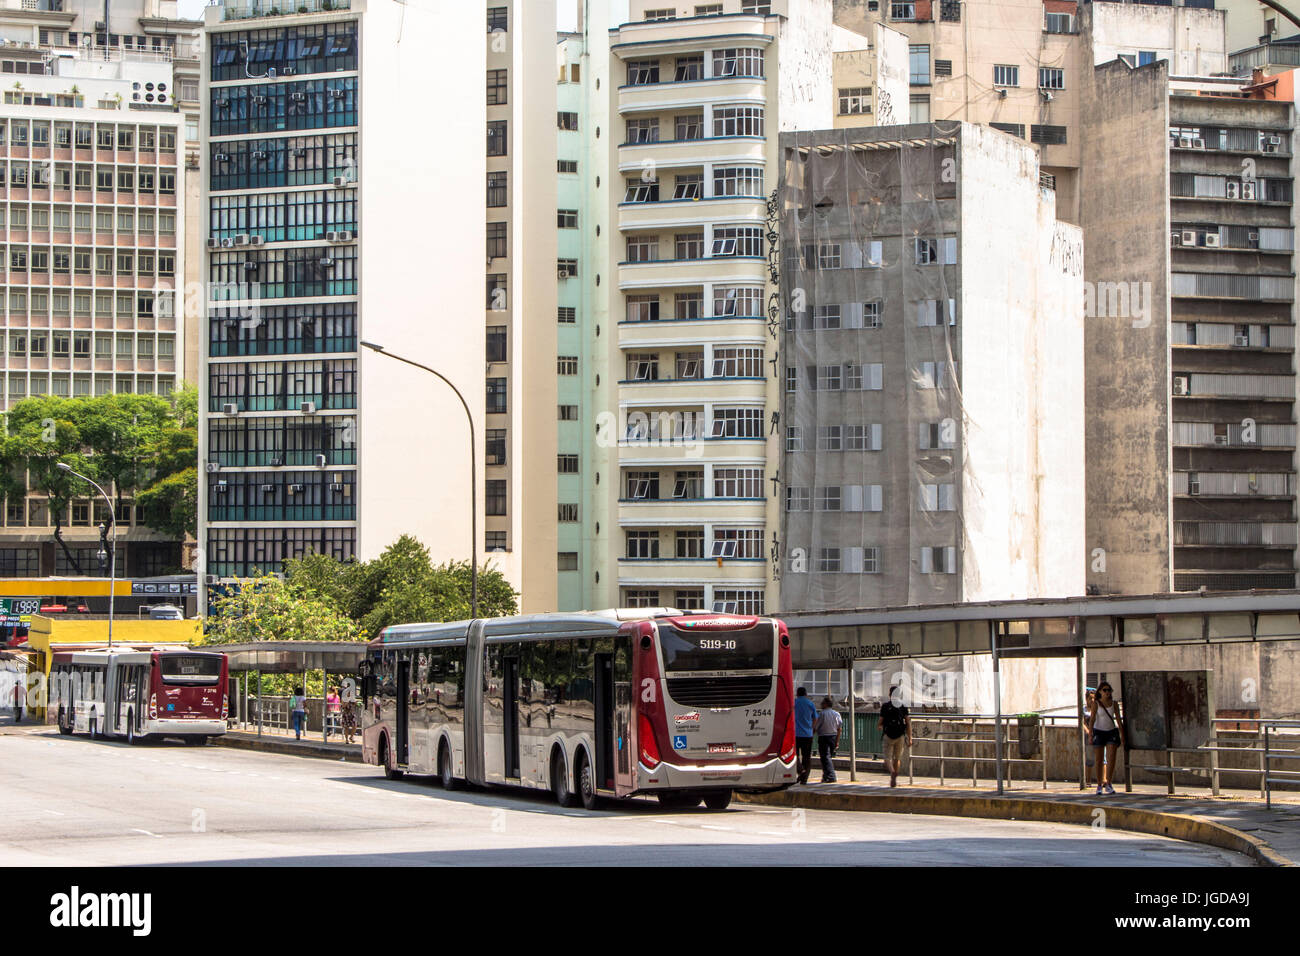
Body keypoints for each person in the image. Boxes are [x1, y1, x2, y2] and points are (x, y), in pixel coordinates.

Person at [1087, 682, 1125, 795]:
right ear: (1100, 692)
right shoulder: (1096, 704)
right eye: (1105, 690)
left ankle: (1108, 783)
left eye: (1109, 690)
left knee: (1111, 758)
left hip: (1111, 732)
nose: (1107, 692)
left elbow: (1118, 719)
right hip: (1098, 732)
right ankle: (1099, 784)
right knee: (1099, 760)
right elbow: (1092, 719)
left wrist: (1122, 735)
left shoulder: (1114, 704)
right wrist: (1090, 734)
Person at [878, 685, 911, 788]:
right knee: (897, 758)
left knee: (887, 759)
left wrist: (879, 726)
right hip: (900, 736)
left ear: (890, 694)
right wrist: (910, 738)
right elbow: (908, 722)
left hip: (888, 735)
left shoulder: (885, 706)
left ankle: (892, 772)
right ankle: (895, 779)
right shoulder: (903, 706)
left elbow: (880, 722)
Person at [814, 696, 842, 783]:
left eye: (822, 703)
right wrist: (837, 741)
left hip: (824, 737)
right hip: (833, 736)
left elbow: (816, 726)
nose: (821, 704)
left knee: (825, 757)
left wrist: (812, 734)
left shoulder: (822, 714)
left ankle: (831, 776)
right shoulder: (836, 714)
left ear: (826, 704)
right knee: (828, 756)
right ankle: (825, 776)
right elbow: (839, 728)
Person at [793, 687, 817, 785]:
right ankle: (804, 778)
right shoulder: (810, 703)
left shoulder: (794, 702)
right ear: (806, 693)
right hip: (808, 734)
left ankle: (800, 769)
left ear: (797, 694)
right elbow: (815, 718)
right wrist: (812, 728)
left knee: (794, 755)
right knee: (807, 757)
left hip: (796, 734)